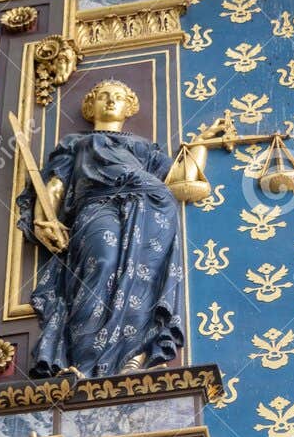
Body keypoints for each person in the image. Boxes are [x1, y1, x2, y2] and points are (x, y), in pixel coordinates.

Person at [16, 81, 185, 378]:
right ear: (90, 105)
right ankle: (84, 362)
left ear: (128, 107)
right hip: (97, 206)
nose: (110, 102)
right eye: (103, 96)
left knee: (141, 281)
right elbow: (54, 187)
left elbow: (181, 181)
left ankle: (133, 353)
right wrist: (45, 220)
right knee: (101, 265)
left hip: (151, 211)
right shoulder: (76, 143)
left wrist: (200, 147)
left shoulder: (144, 148)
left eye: (118, 97)